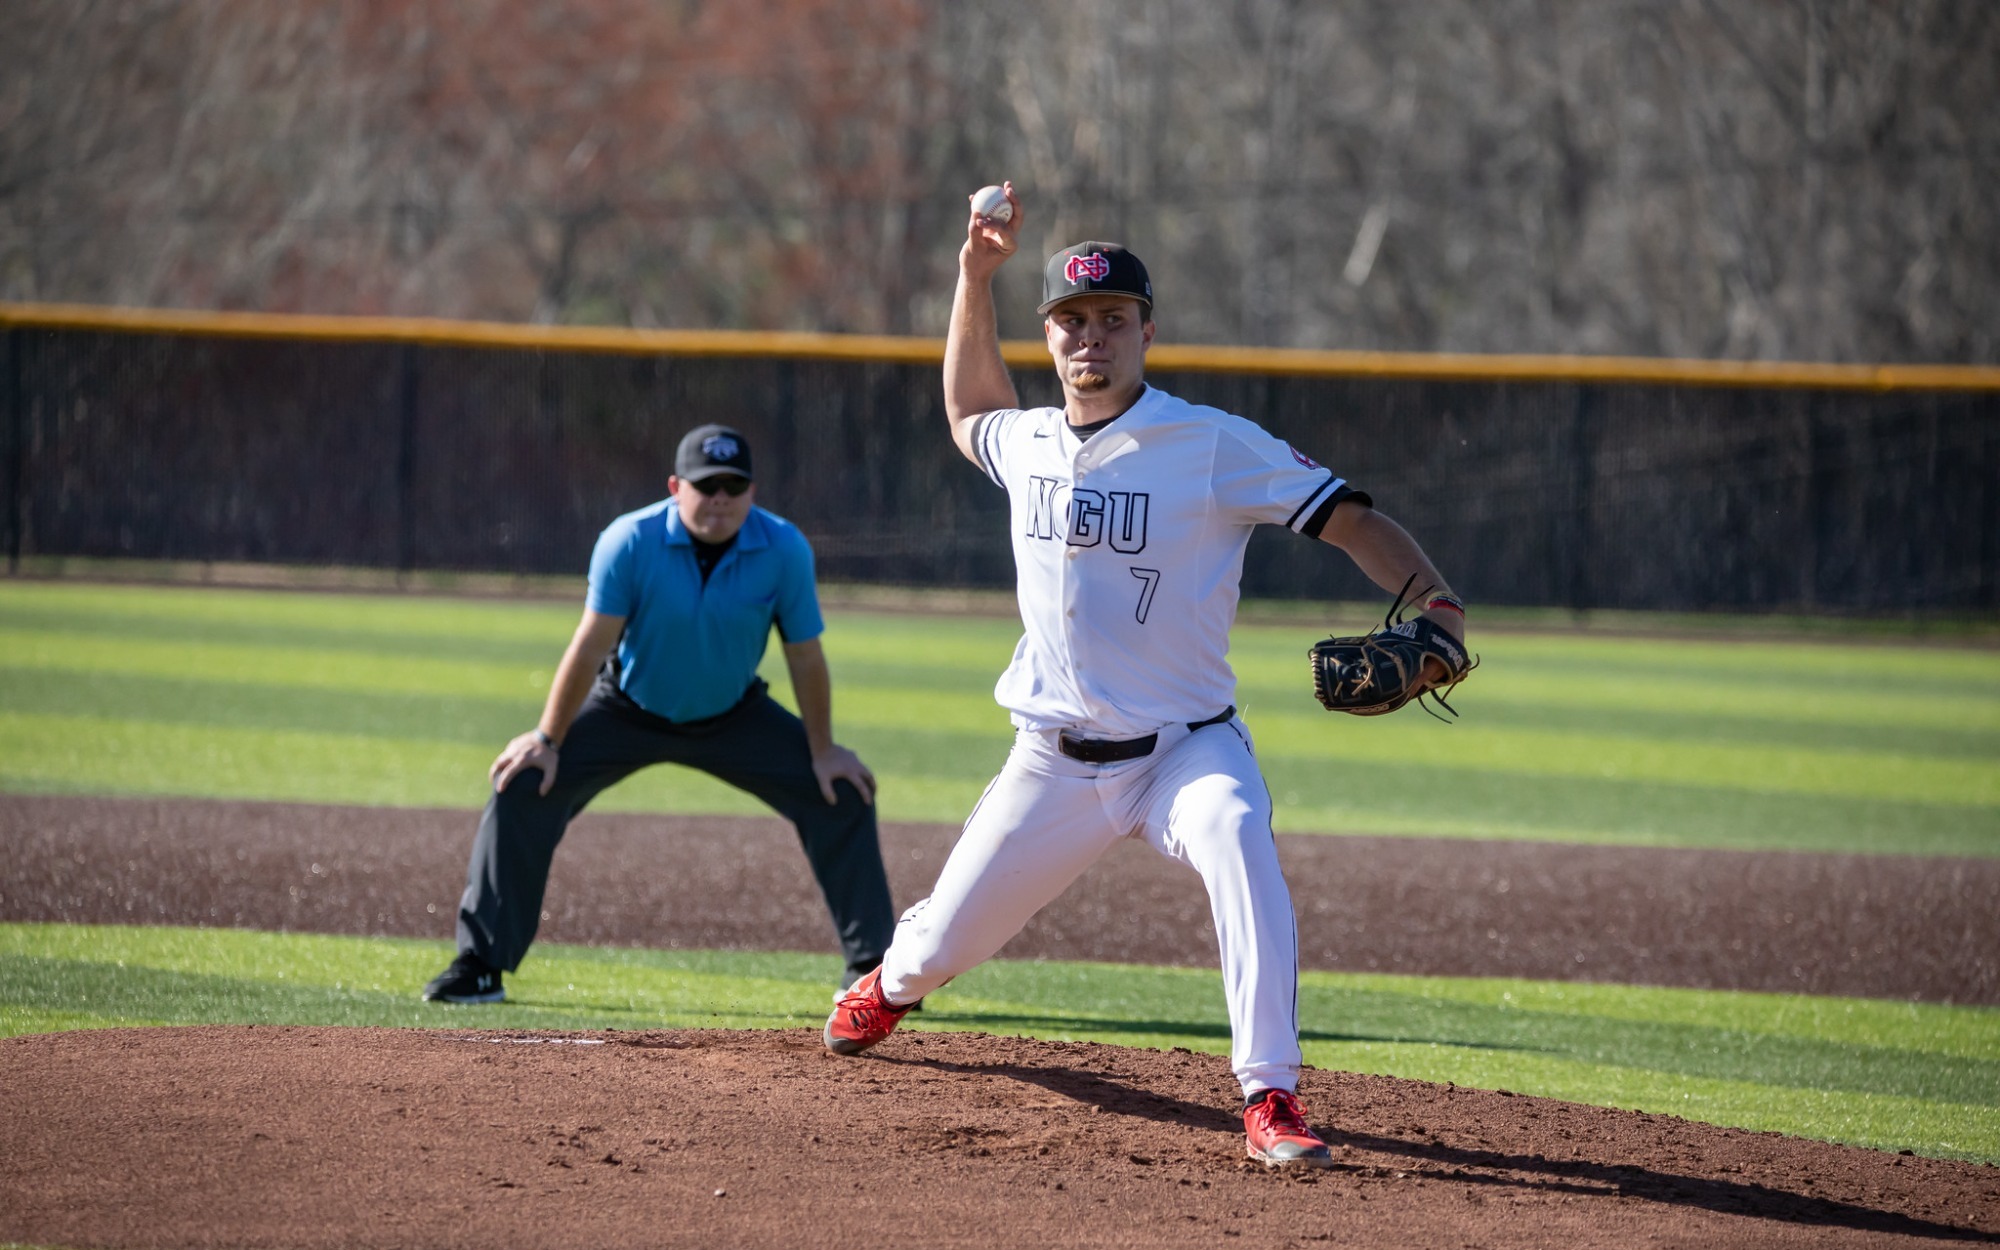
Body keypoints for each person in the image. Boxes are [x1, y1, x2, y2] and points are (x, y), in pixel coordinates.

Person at [822, 184, 1468, 1170]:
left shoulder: (1208, 444)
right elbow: (966, 409)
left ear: (1145, 331)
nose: (1092, 338)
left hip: (1186, 747)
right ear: (1047, 336)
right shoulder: (1028, 441)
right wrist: (970, 275)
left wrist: (1438, 603)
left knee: (1238, 831)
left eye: (1112, 320)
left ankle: (1270, 1093)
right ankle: (888, 984)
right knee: (934, 948)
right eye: (1072, 321)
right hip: (1051, 765)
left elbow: (1347, 517)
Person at [423, 424, 895, 1004]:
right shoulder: (630, 541)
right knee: (524, 783)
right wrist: (548, 737)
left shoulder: (784, 548)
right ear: (676, 486)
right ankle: (481, 964)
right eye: (705, 485)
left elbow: (805, 654)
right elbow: (591, 644)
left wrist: (823, 751)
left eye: (733, 485)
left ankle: (876, 973)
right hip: (627, 709)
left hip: (734, 717)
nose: (719, 497)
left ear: (752, 491)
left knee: (842, 794)